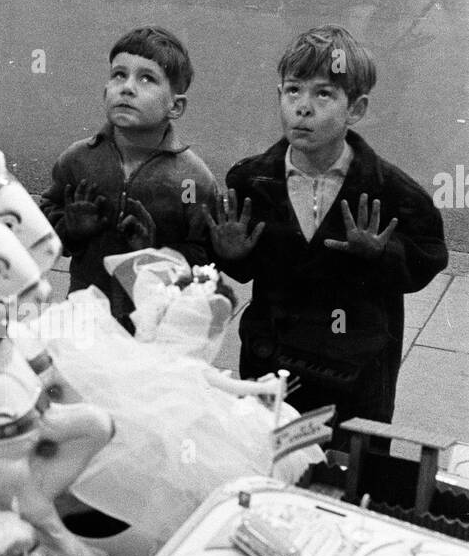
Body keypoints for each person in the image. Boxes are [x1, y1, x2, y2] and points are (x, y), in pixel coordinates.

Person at [206, 25, 449, 445]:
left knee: (351, 473)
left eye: (324, 94)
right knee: (271, 459)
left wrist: (382, 254)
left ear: (355, 109)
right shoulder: (251, 180)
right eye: (293, 90)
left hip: (356, 374)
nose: (303, 108)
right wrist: (231, 254)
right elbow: (244, 267)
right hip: (274, 362)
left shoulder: (392, 192)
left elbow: (428, 257)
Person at [39, 26, 219, 325]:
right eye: (119, 75)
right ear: (105, 92)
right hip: (86, 320)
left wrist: (154, 253)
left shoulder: (192, 178)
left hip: (157, 327)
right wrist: (71, 229)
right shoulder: (79, 159)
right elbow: (42, 226)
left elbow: (206, 260)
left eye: (147, 78)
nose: (127, 87)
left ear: (176, 106)